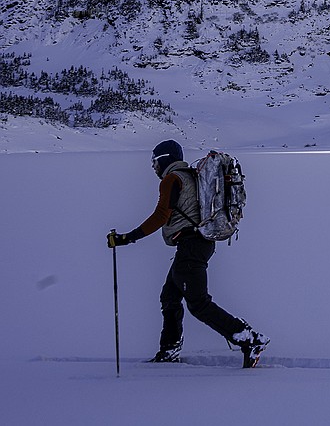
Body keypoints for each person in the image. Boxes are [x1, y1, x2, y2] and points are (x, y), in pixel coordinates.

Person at [107, 139, 268, 364]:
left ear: (164, 160)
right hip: (198, 243)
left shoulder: (172, 179)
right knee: (170, 297)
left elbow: (161, 215)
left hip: (191, 245)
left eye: (154, 161)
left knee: (199, 304)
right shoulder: (190, 175)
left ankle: (248, 339)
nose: (153, 167)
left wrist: (128, 238)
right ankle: (169, 350)